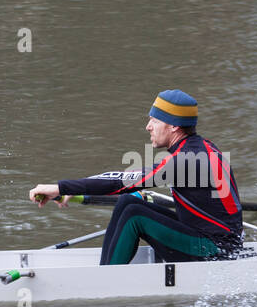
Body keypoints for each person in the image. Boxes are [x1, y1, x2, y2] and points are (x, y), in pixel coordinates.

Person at [28, 89, 244, 265]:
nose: (148, 127)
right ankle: (108, 268)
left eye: (154, 121)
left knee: (134, 213)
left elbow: (121, 181)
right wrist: (73, 189)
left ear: (174, 126)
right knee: (129, 201)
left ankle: (105, 281)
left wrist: (60, 187)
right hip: (208, 236)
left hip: (218, 252)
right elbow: (122, 183)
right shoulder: (200, 148)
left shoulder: (187, 160)